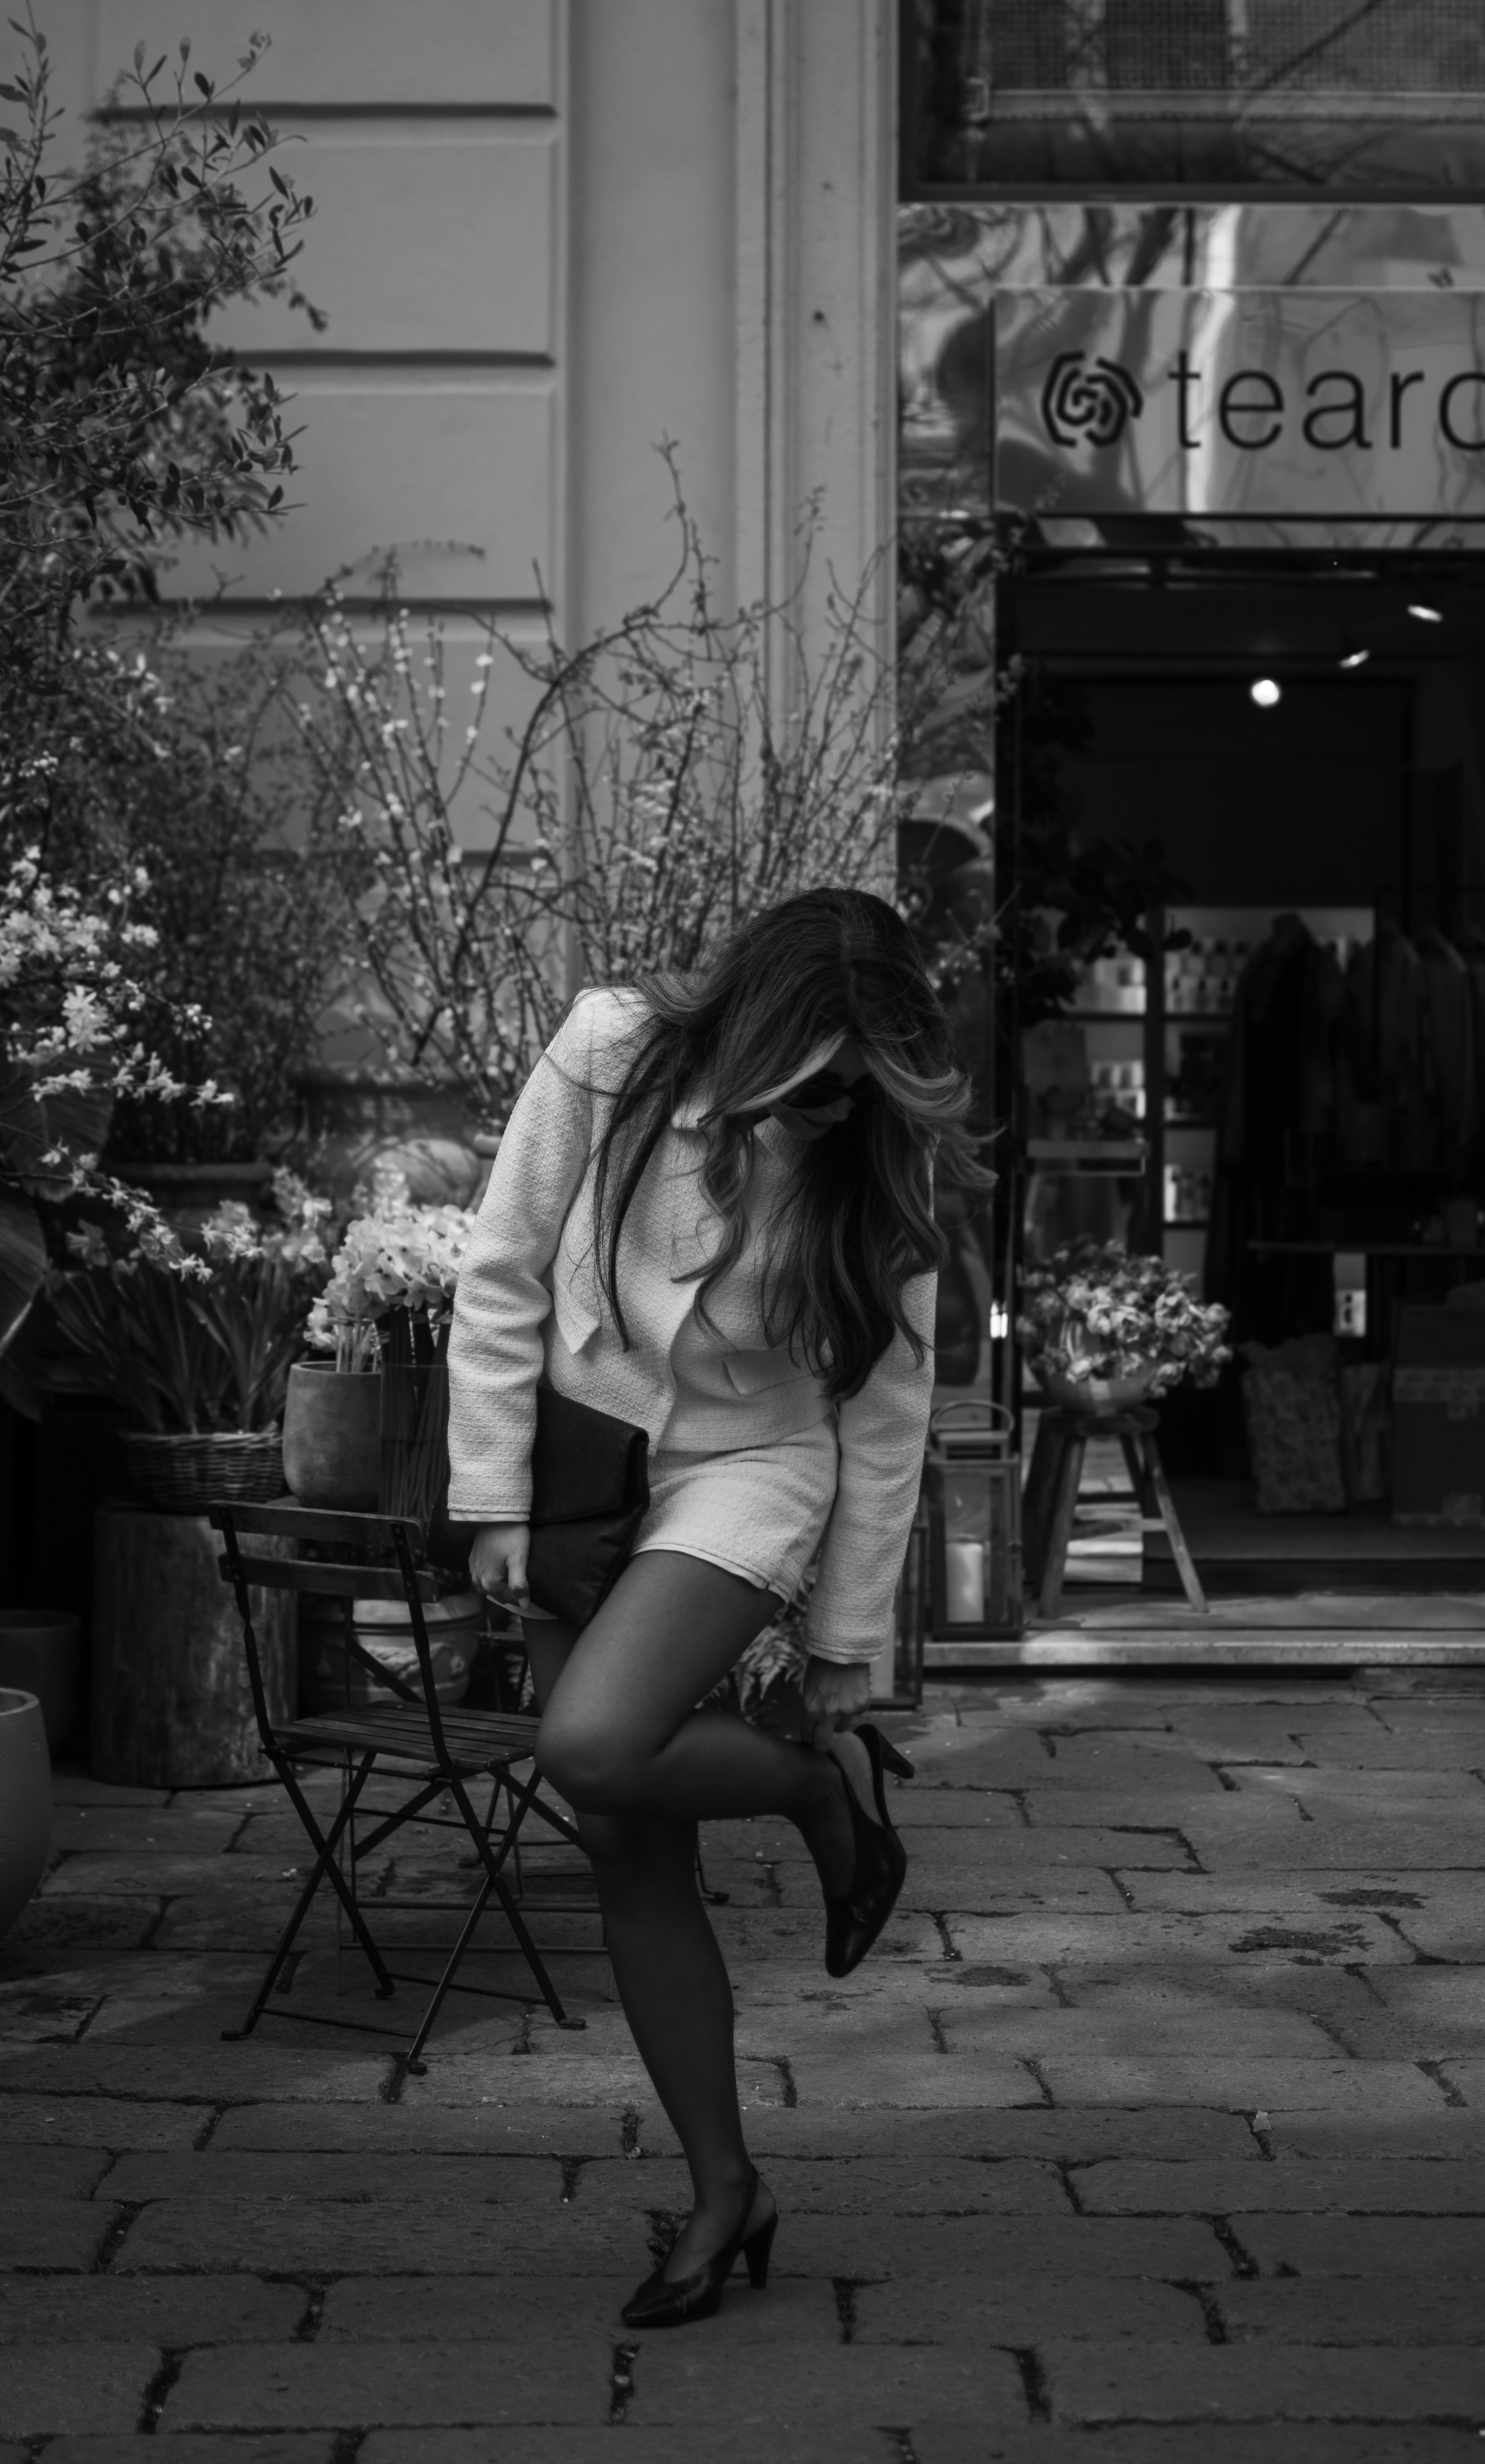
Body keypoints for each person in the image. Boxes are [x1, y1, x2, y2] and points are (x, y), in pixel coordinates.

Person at [447, 887, 987, 2327]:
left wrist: (840, 1648)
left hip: (748, 1472)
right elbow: (501, 1264)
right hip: (586, 1464)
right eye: (817, 1083)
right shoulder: (611, 1049)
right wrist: (493, 1496)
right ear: (758, 1027)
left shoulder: (878, 1179)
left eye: (861, 1089)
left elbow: (885, 1423)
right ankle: (724, 2190)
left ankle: (821, 1792)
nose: (835, 1111)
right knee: (630, 1852)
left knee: (591, 1746)